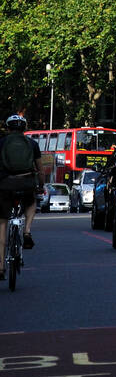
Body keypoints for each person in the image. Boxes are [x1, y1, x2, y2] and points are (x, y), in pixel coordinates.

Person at [0, 115, 44, 276]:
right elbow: (40, 170)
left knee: (2, 223)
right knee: (31, 203)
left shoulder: (2, 143)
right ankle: (26, 230)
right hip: (26, 183)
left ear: (8, 128)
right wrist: (41, 186)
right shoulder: (32, 144)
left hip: (5, 184)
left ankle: (1, 266)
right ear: (24, 128)